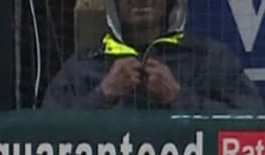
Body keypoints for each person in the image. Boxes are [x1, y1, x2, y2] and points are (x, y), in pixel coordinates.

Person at [40, 0, 263, 111]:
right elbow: (41, 137)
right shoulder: (81, 67)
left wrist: (179, 97)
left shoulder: (210, 58)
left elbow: (254, 122)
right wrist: (103, 94)